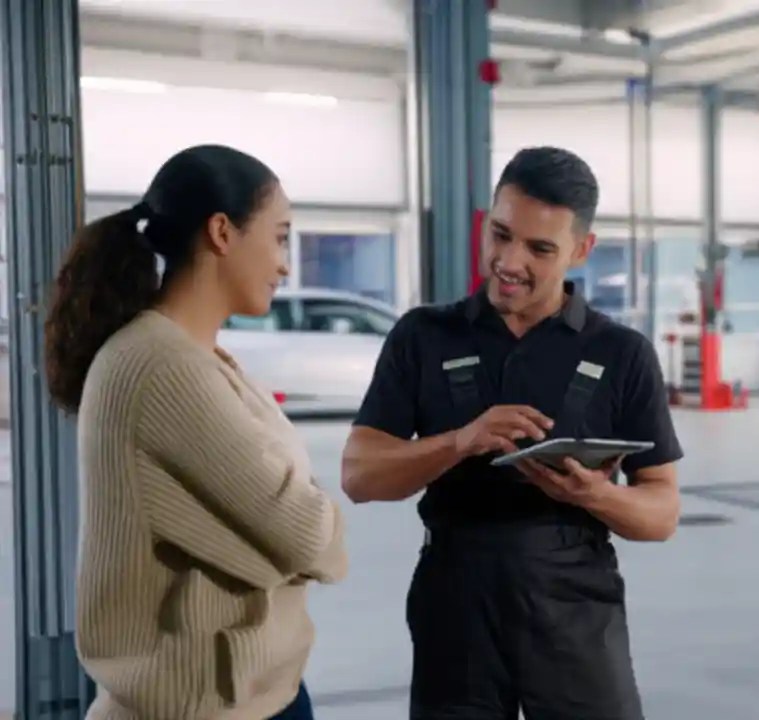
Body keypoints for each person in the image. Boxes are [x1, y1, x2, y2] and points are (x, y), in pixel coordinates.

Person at [341, 145, 683, 719]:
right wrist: (459, 441)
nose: (509, 260)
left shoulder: (621, 354)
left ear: (581, 250)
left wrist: (594, 495)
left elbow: (662, 512)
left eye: (539, 248)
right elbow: (359, 476)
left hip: (573, 602)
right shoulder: (425, 336)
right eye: (500, 234)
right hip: (455, 599)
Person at [44, 144, 348, 720]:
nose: (285, 264)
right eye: (280, 237)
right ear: (222, 232)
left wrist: (291, 533)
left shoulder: (198, 358)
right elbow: (308, 536)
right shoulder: (162, 367)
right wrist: (309, 530)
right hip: (202, 707)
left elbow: (287, 531)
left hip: (248, 695)